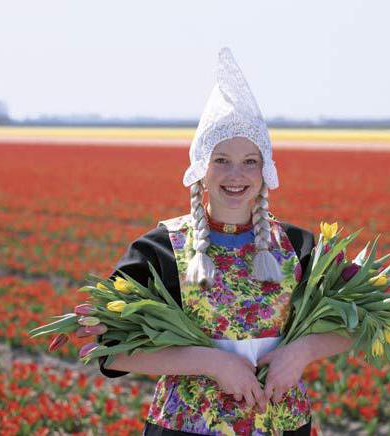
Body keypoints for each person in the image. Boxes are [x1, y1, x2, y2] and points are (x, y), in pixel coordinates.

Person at [96, 47, 353, 435]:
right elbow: (112, 348)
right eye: (221, 160)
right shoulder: (160, 248)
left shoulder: (301, 247)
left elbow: (356, 321)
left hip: (282, 424)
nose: (237, 174)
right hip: (186, 427)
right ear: (200, 169)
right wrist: (211, 362)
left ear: (266, 170)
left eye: (250, 161)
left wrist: (302, 351)